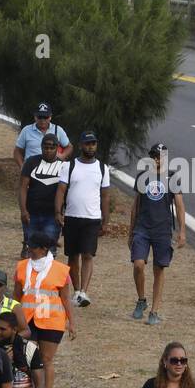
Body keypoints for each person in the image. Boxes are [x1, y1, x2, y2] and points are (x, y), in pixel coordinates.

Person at [13, 232, 75, 388]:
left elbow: (65, 298)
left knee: (46, 360)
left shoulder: (61, 270)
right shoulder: (21, 267)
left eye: (32, 246)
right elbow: (16, 296)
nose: (28, 249)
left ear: (43, 249)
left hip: (51, 322)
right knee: (27, 359)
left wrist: (72, 323)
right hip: (27, 321)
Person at [130, 143, 186, 326]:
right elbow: (135, 205)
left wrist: (182, 231)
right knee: (138, 264)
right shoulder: (143, 176)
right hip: (142, 228)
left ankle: (154, 311)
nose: (157, 159)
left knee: (159, 269)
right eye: (154, 155)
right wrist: (131, 231)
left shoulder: (171, 177)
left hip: (162, 229)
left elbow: (179, 205)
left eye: (160, 156)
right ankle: (141, 299)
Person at [56, 131, 112, 307]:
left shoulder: (103, 169)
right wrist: (58, 212)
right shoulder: (69, 166)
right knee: (73, 256)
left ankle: (84, 292)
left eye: (93, 144)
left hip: (92, 218)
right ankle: (77, 290)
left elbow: (105, 196)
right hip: (72, 217)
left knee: (88, 254)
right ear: (81, 145)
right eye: (87, 144)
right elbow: (61, 190)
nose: (90, 147)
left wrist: (106, 220)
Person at [19, 134, 66, 256]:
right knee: (33, 250)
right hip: (32, 214)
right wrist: (23, 210)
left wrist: (61, 213)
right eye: (46, 147)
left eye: (52, 147)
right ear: (41, 147)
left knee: (49, 252)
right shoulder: (31, 162)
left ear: (57, 148)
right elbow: (23, 187)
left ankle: (48, 275)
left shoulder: (64, 166)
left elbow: (66, 192)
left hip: (52, 216)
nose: (49, 150)